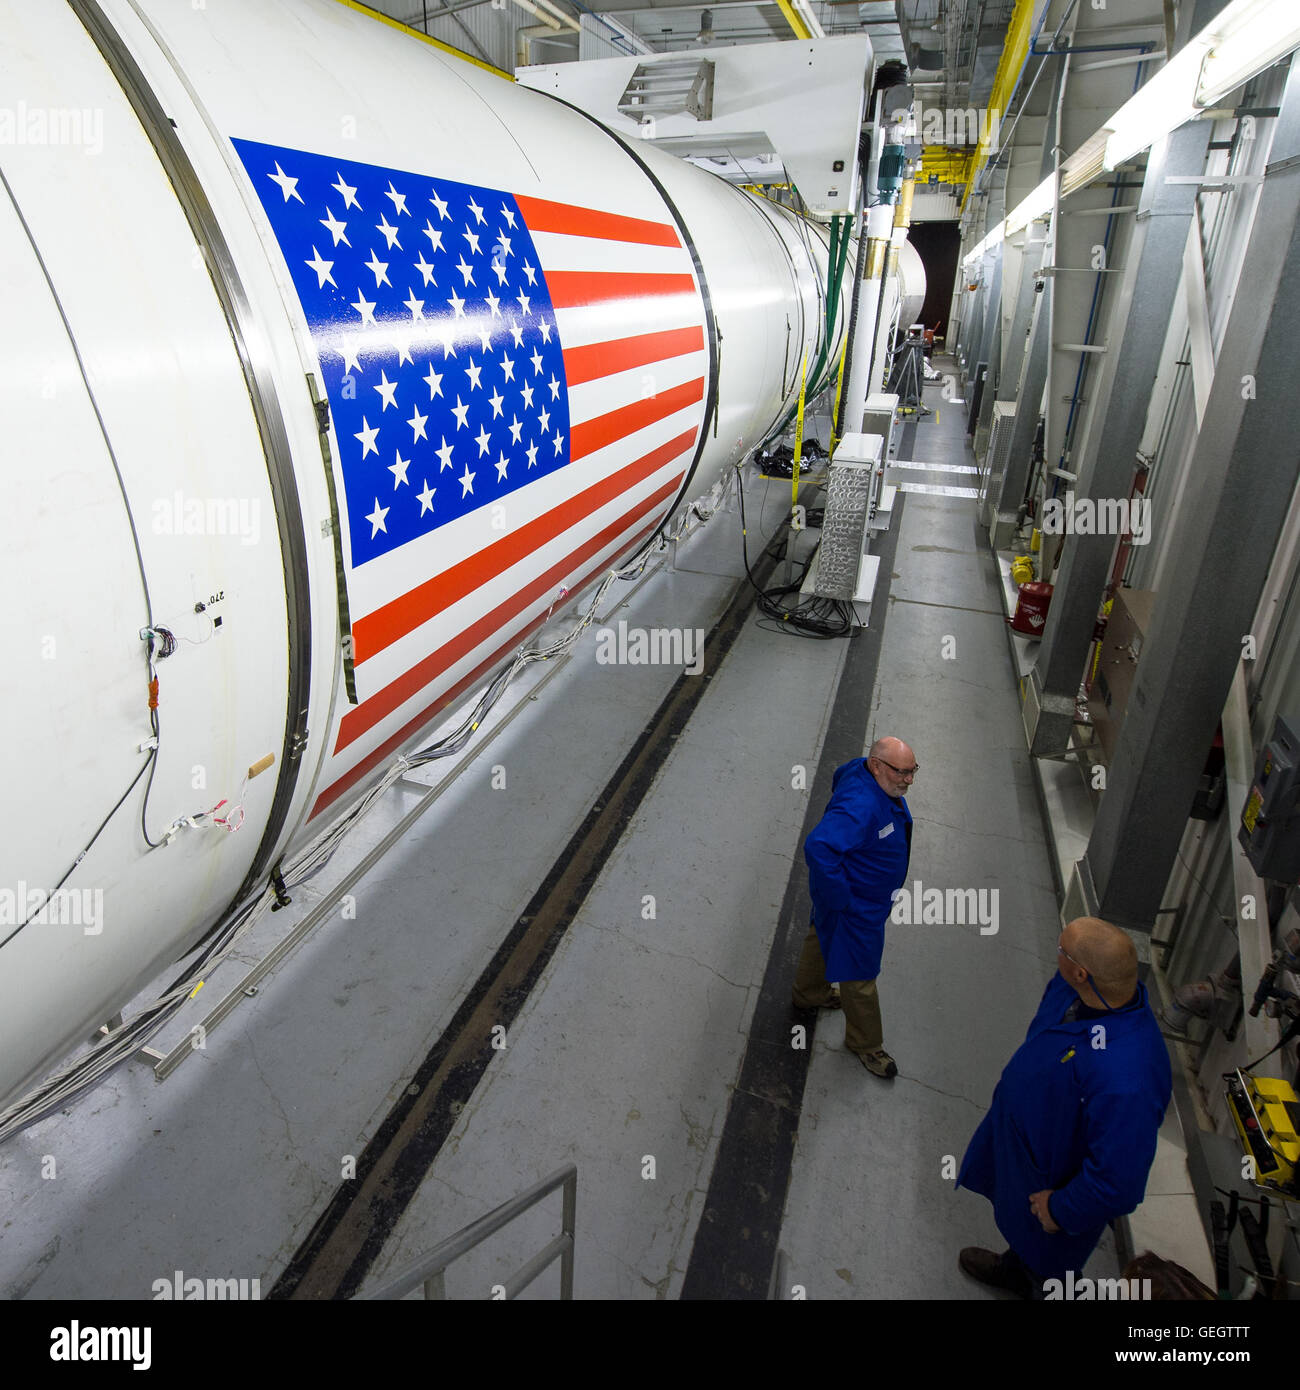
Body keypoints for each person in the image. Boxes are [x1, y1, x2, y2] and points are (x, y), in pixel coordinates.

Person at [956, 916, 1173, 1298]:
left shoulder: (1128, 1079)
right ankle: (1014, 1270)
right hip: (1027, 1153)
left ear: (1079, 971)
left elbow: (1118, 1182)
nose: (1056, 954)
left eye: (1061, 950)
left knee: (1048, 1267)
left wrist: (1061, 1210)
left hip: (1054, 1183)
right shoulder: (1076, 993)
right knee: (1027, 1242)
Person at [793, 736, 916, 1078]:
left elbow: (839, 774)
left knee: (820, 935)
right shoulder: (861, 806)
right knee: (861, 976)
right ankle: (866, 1044)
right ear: (877, 765)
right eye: (901, 773)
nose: (908, 780)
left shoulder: (859, 771)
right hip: (856, 904)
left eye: (912, 771)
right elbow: (819, 847)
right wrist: (843, 900)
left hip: (841, 895)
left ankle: (808, 993)